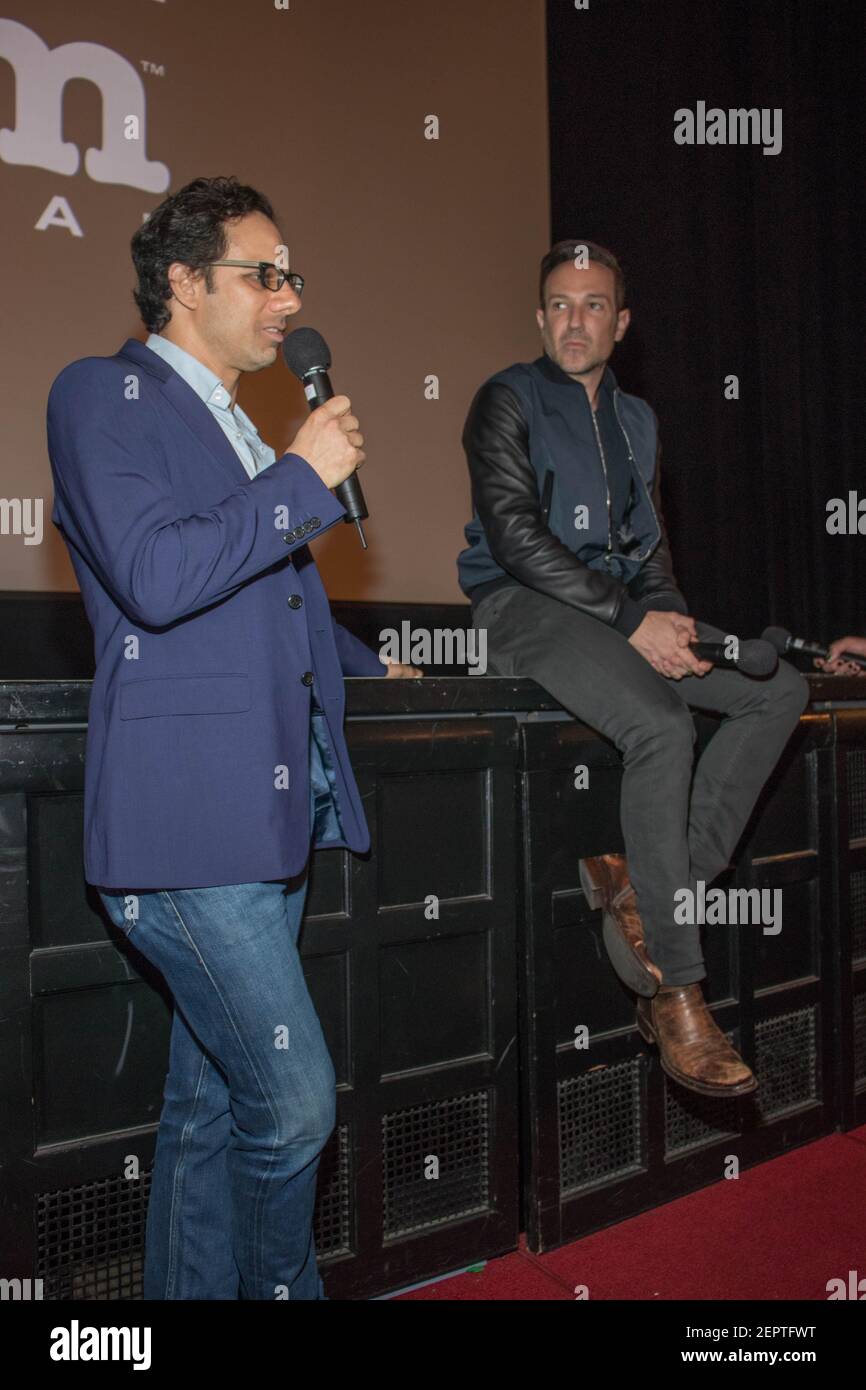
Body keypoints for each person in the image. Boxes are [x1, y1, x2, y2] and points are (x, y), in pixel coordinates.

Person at [46, 176, 419, 1300]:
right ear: (180, 281)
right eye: (263, 272)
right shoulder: (101, 393)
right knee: (294, 1103)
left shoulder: (242, 429)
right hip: (186, 824)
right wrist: (300, 476)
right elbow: (159, 578)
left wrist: (369, 666)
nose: (286, 295)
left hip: (271, 813)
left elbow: (270, 608)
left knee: (212, 1112)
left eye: (291, 274)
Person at [457, 238, 809, 1098]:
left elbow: (650, 553)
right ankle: (677, 990)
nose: (575, 320)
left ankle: (652, 891)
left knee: (781, 689)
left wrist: (669, 621)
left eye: (593, 304)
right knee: (659, 725)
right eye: (560, 304)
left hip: (619, 613)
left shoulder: (638, 419)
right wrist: (630, 621)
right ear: (540, 317)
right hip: (521, 606)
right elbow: (516, 538)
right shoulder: (504, 398)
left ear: (621, 320)